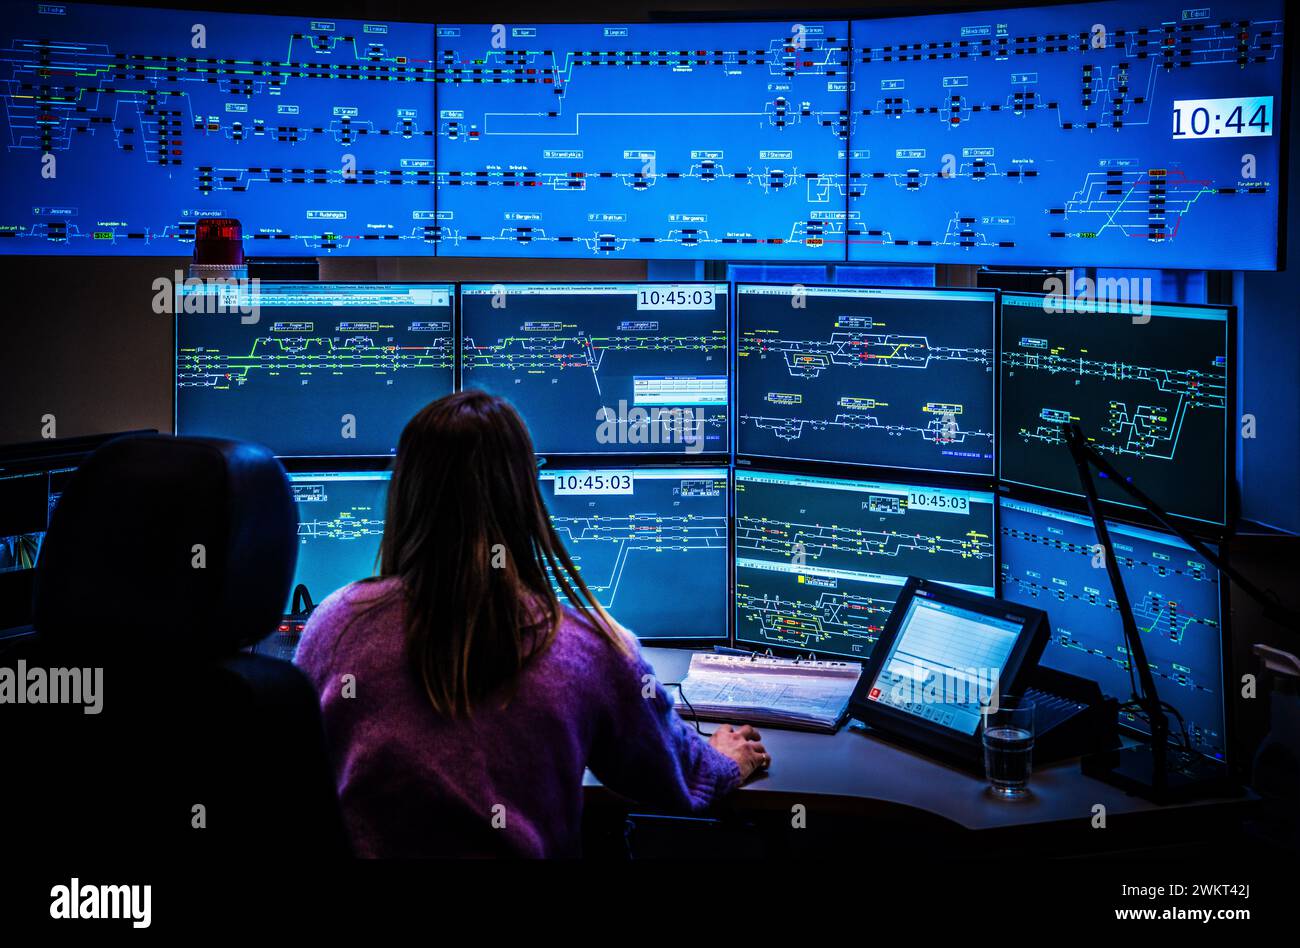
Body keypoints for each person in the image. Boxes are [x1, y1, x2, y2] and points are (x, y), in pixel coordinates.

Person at [296, 390, 769, 857]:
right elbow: (671, 775)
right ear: (524, 496)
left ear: (404, 493)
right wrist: (723, 761)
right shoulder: (587, 649)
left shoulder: (334, 625)